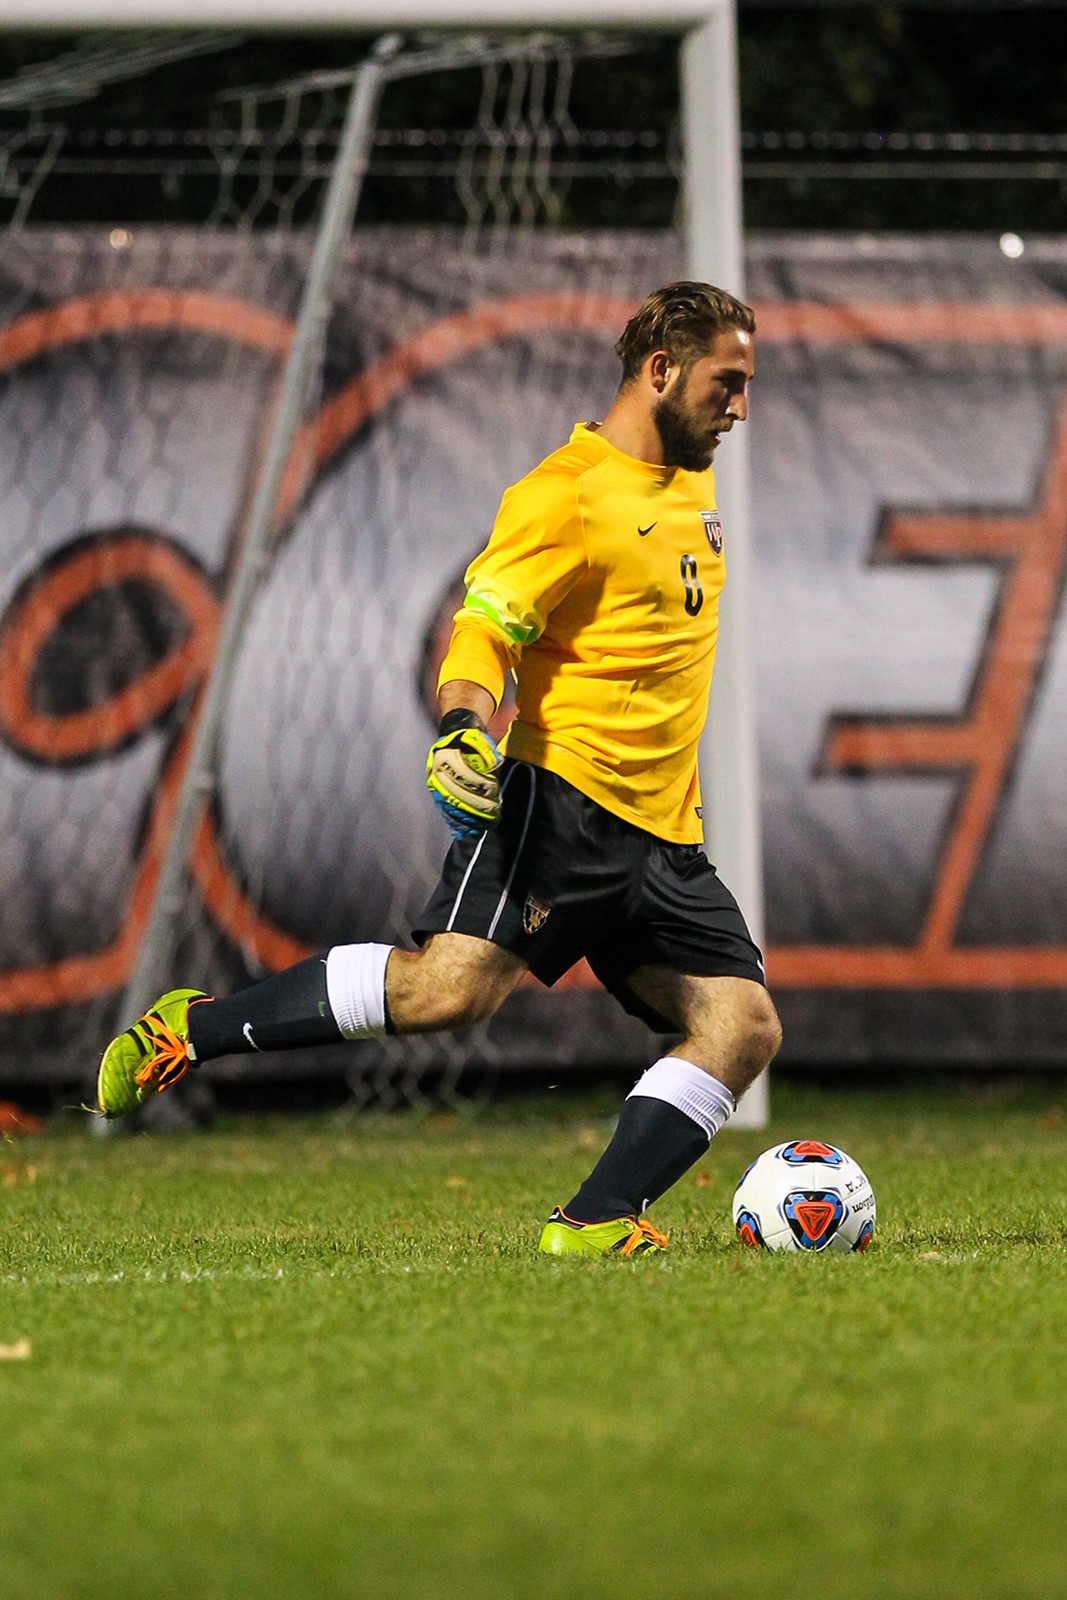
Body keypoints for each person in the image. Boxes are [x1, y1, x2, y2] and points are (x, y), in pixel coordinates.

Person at [97, 280, 782, 1258]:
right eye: (727, 382)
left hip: (665, 837)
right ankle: (192, 1031)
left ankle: (593, 1222)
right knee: (445, 993)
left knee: (741, 1023)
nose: (740, 406)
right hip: (560, 806)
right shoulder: (565, 494)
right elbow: (486, 626)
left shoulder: (690, 477)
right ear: (660, 370)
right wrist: (464, 726)